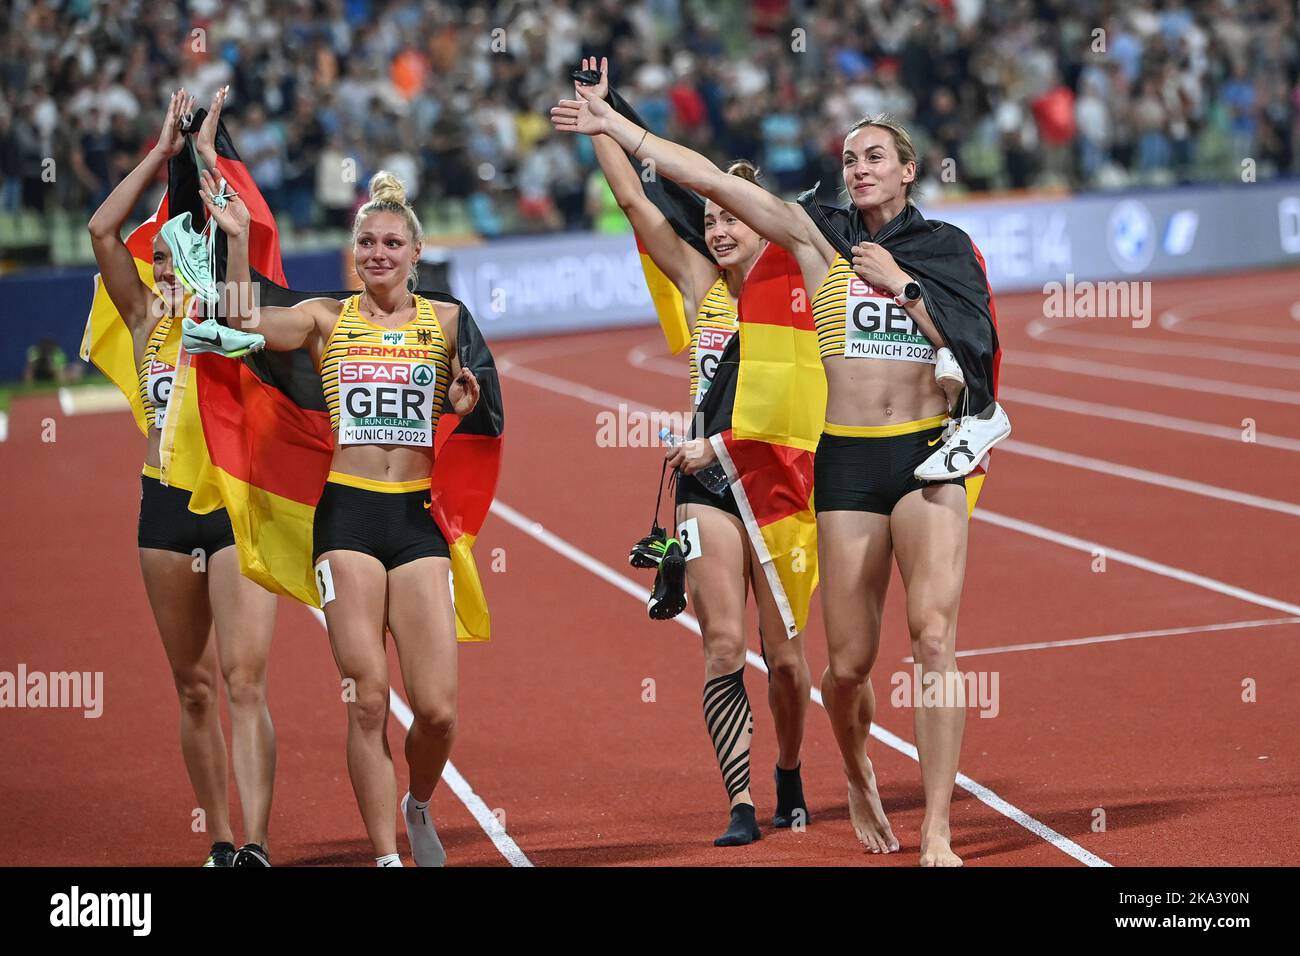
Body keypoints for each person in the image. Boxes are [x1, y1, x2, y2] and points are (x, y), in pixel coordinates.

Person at [554, 81, 1001, 867]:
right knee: (847, 668)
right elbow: (716, 185)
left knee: (934, 638)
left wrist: (905, 285)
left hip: (927, 454)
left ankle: (937, 827)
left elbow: (975, 343)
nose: (858, 168)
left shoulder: (945, 250)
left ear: (907, 170)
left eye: (874, 157)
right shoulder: (812, 237)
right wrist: (621, 129)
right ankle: (858, 767)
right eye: (849, 158)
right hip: (849, 463)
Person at [204, 155, 481, 867]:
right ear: (351, 253)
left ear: (417, 253)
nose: (378, 255)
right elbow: (240, 320)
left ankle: (418, 801)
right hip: (347, 519)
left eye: (392, 244)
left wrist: (460, 406)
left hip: (415, 522)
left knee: (439, 711)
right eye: (367, 244)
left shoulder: (449, 322)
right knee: (367, 696)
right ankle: (387, 858)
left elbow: (479, 414)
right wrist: (236, 236)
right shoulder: (325, 318)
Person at [582, 58, 811, 847]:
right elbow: (634, 200)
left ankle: (789, 771)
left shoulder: (799, 288)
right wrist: (602, 118)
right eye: (709, 217)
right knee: (723, 643)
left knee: (785, 659)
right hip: (706, 481)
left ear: (759, 221)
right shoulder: (696, 284)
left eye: (729, 217)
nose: (715, 228)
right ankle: (742, 802)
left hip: (780, 483)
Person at [87, 89, 279, 867]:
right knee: (194, 688)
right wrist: (162, 153)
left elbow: (242, 280)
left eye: (175, 256)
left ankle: (259, 844)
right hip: (163, 512)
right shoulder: (141, 322)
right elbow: (102, 229)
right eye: (156, 258)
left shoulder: (227, 317)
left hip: (233, 508)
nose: (163, 268)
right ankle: (221, 840)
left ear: (196, 259)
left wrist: (206, 163)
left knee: (243, 681)